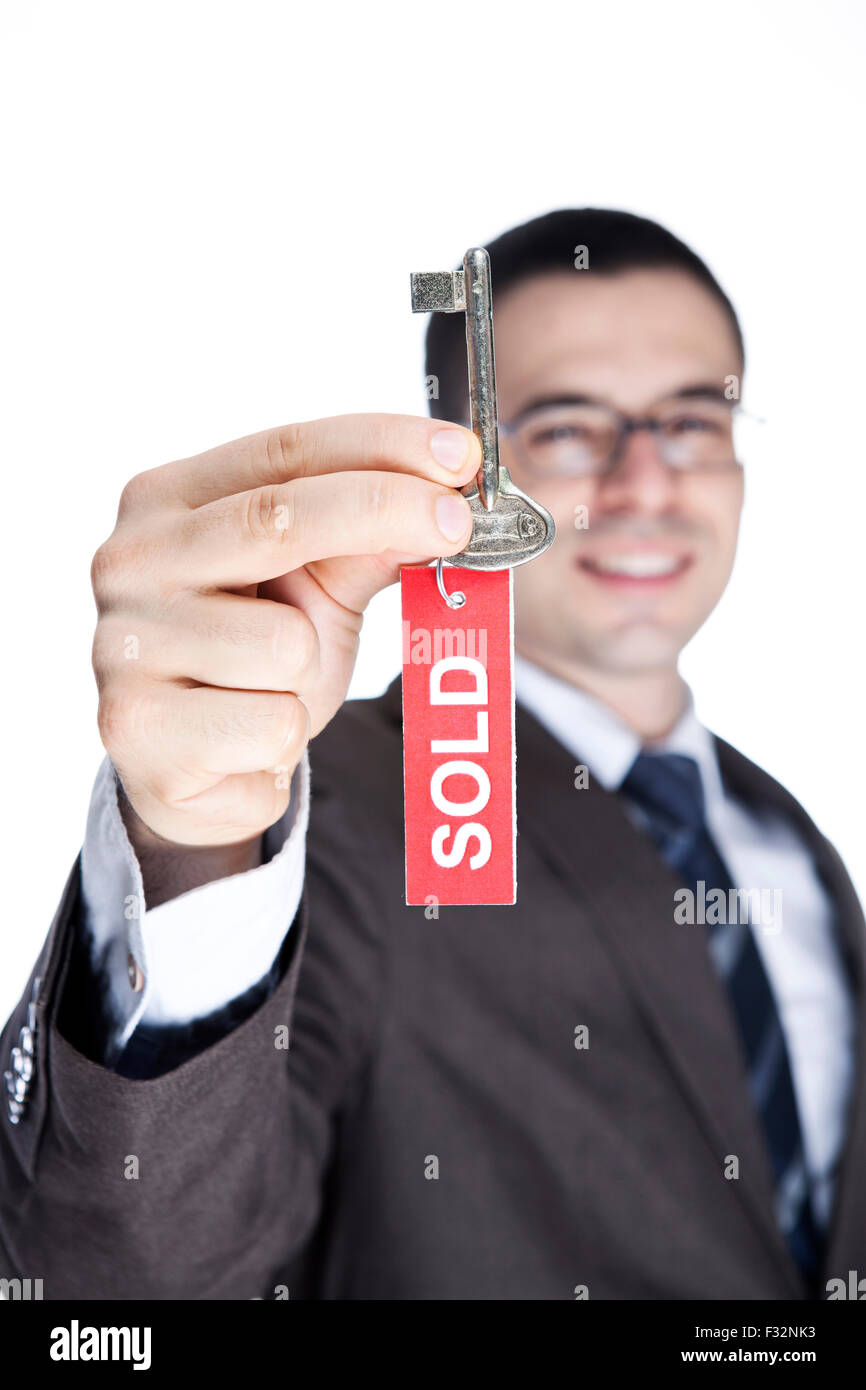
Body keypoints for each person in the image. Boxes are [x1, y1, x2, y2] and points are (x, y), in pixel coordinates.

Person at [2, 209, 863, 1301]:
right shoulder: (335, 810)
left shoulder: (791, 838)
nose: (645, 485)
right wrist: (198, 842)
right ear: (467, 472)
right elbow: (121, 1277)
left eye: (690, 422)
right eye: (563, 427)